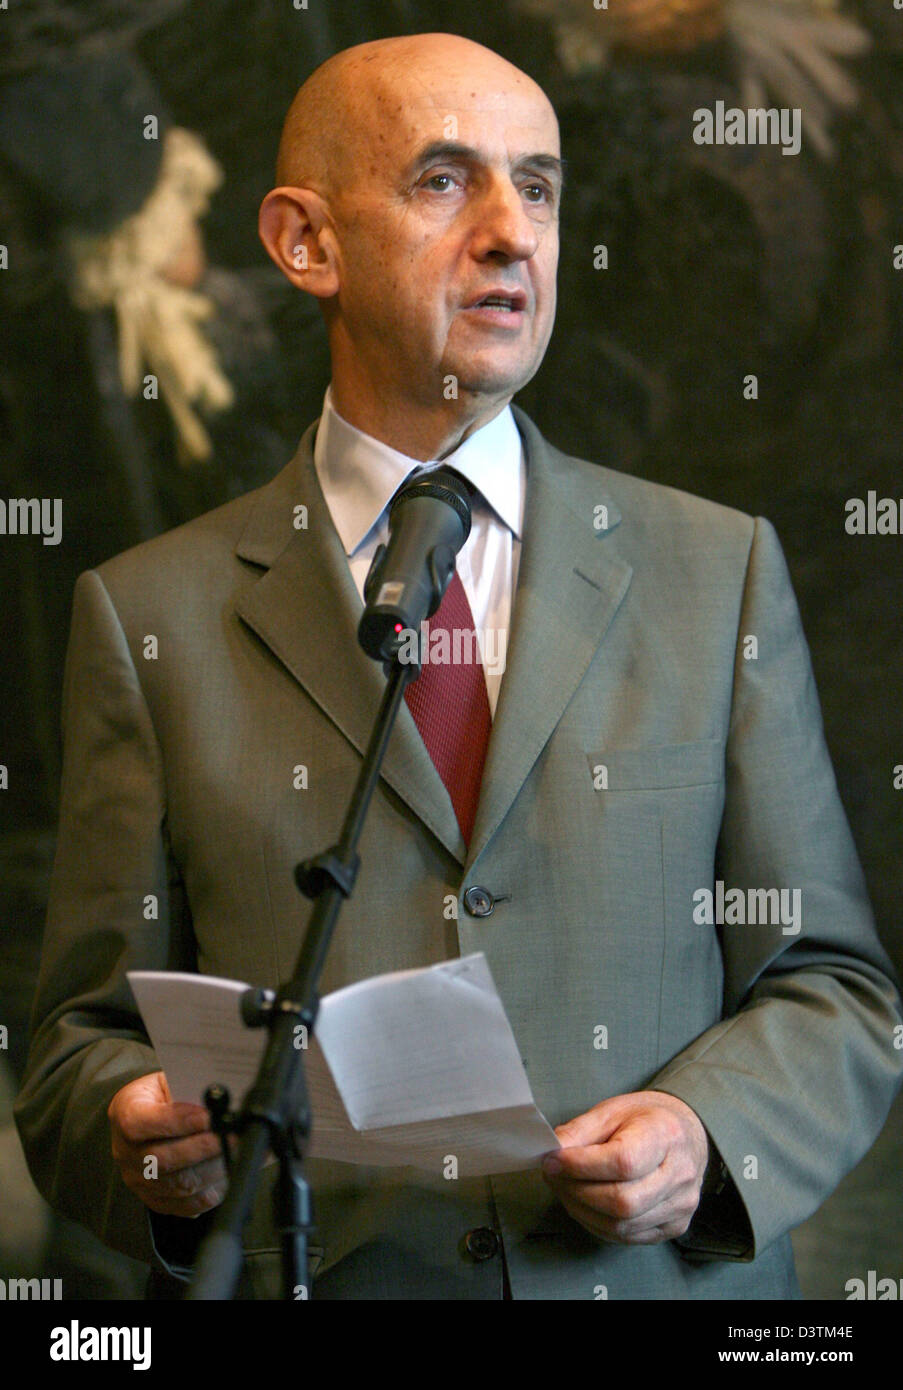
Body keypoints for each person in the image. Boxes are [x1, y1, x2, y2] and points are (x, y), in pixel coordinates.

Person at [15, 32, 903, 1301]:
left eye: (537, 186)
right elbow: (74, 1056)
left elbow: (836, 988)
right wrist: (138, 1138)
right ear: (303, 242)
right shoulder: (145, 612)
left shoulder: (720, 571)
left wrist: (709, 1137)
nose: (512, 232)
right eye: (445, 181)